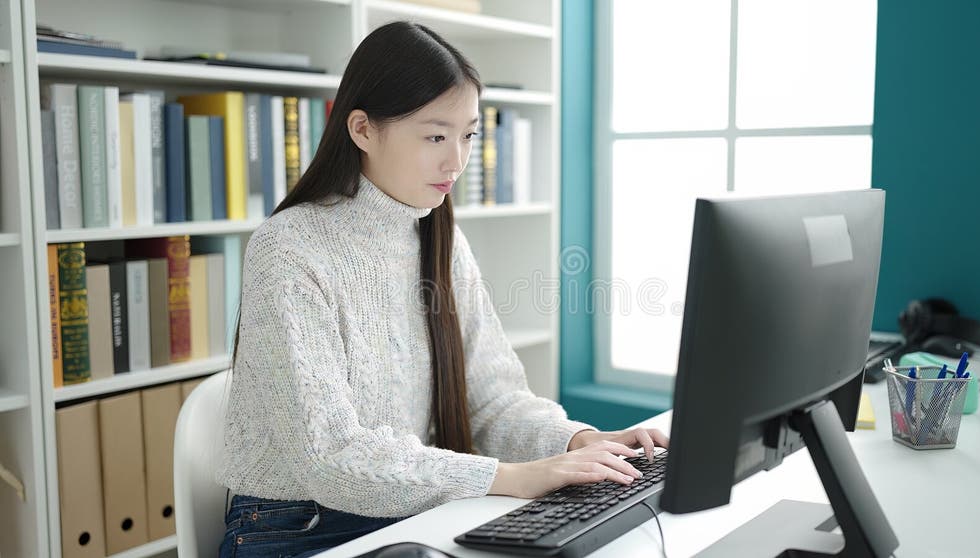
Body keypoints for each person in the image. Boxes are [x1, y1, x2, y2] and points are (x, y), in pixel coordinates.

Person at [216, 21, 667, 558]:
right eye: (435, 136)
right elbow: (328, 456)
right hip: (298, 527)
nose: (457, 160)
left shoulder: (438, 236)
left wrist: (573, 442)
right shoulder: (289, 250)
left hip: (411, 507)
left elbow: (493, 400)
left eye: (469, 134)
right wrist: (514, 477)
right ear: (361, 129)